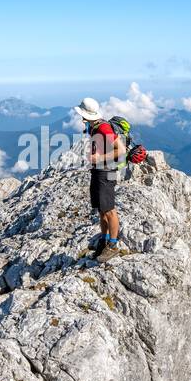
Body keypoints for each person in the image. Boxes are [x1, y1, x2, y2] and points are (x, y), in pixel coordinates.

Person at [74, 97, 126, 261]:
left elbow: (121, 150)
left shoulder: (103, 127)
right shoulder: (94, 126)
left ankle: (113, 244)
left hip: (107, 172)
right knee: (101, 209)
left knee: (109, 210)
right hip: (98, 171)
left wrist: (99, 157)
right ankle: (103, 241)